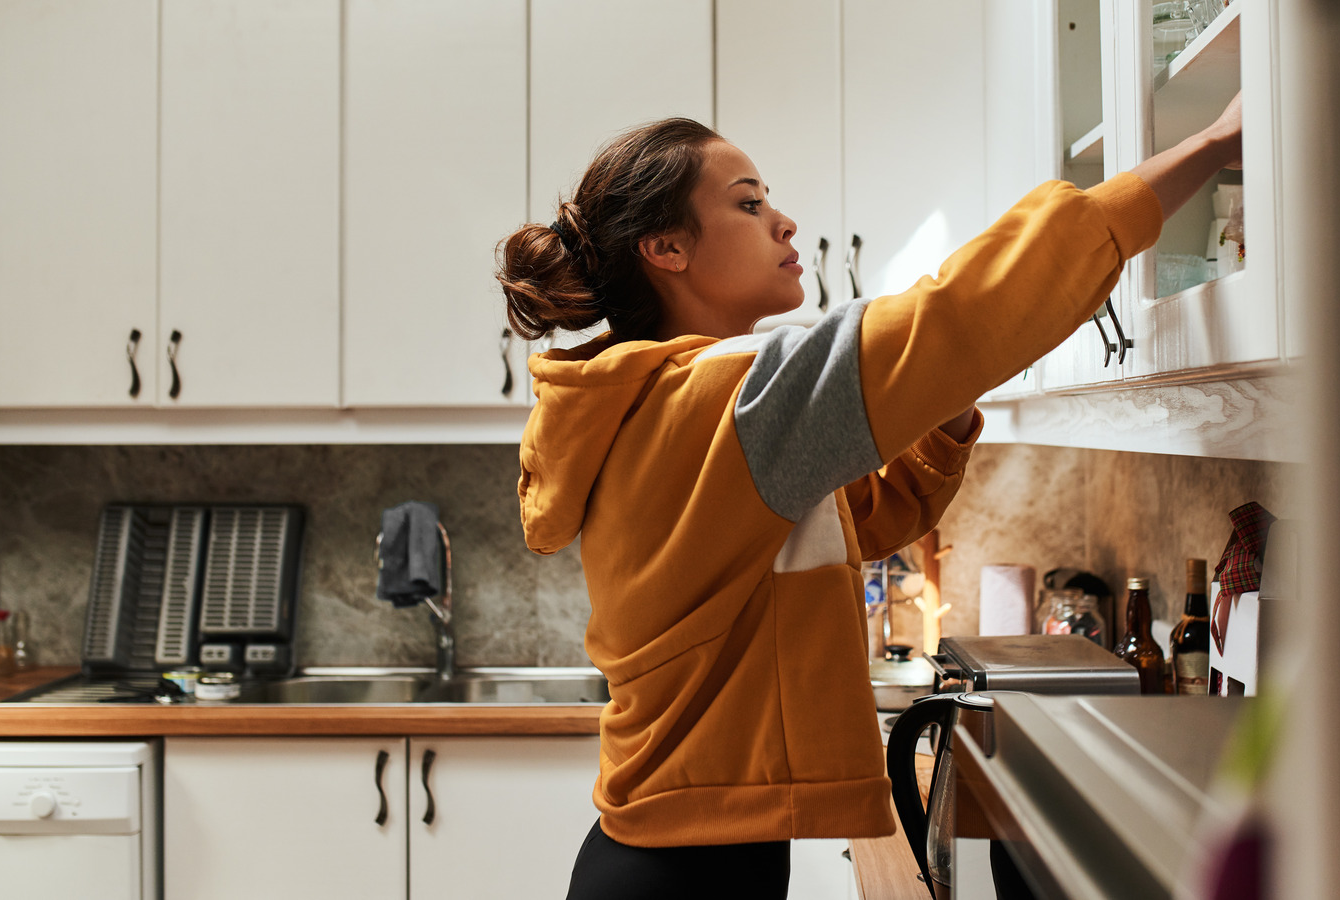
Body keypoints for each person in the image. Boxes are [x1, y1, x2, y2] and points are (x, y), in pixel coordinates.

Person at [498, 95, 1243, 900]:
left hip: (677, 851)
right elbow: (963, 313)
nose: (784, 224)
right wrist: (1214, 141)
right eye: (749, 204)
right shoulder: (721, 397)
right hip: (682, 870)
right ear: (667, 248)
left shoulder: (672, 405)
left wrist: (946, 383)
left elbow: (862, 516)